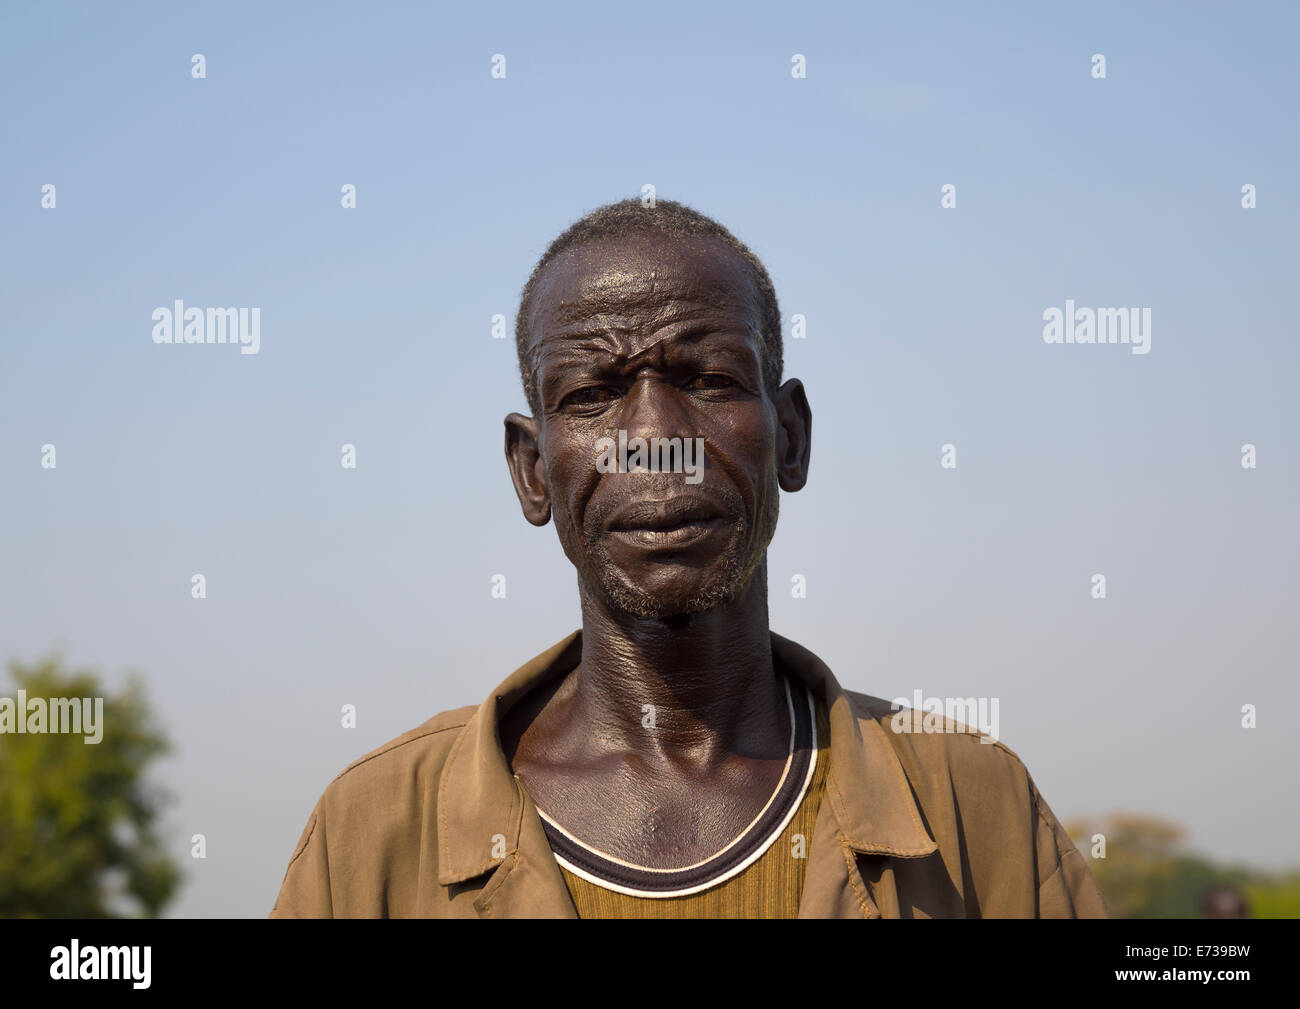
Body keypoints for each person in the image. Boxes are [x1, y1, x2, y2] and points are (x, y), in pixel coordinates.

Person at [270, 198, 1107, 918]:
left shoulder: (975, 807)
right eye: (592, 394)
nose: (655, 442)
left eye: (708, 379)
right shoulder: (373, 832)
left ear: (791, 436)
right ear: (531, 470)